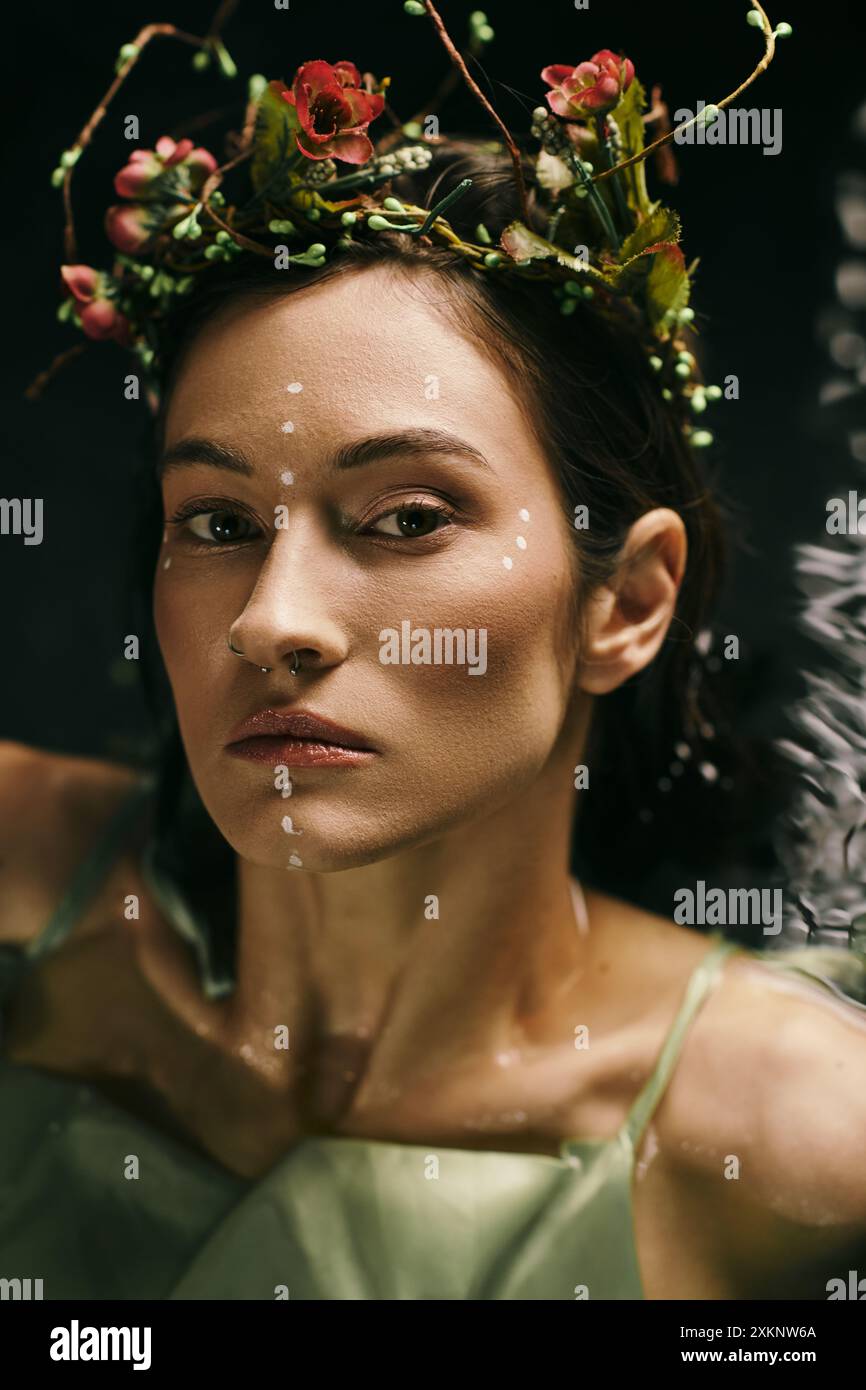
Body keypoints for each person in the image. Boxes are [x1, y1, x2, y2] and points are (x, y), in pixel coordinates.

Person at [3, 25, 865, 1301]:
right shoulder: (28, 895)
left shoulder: (790, 1138)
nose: (269, 619)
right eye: (221, 523)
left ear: (623, 604)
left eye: (407, 518)